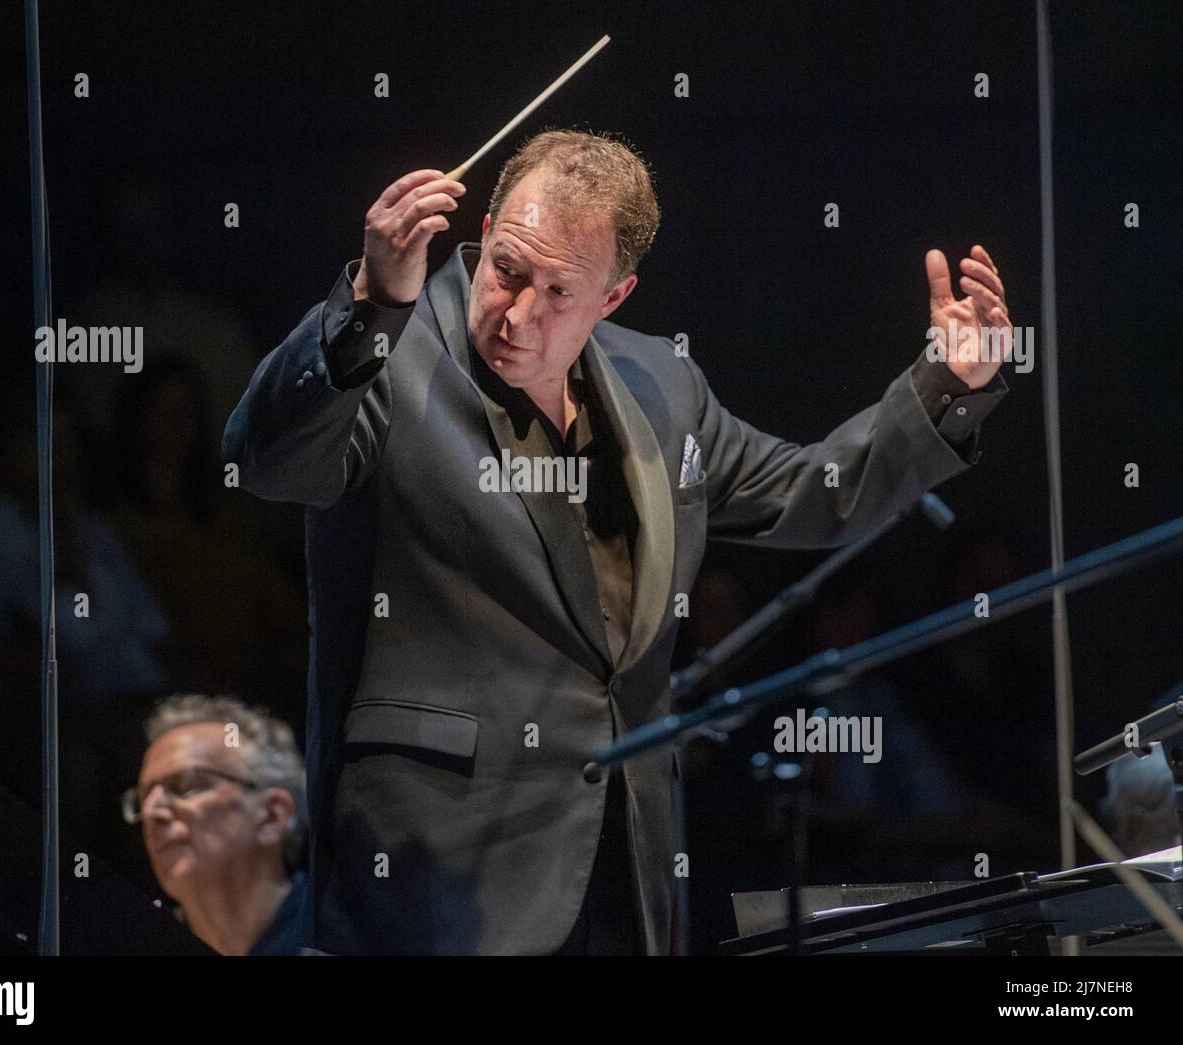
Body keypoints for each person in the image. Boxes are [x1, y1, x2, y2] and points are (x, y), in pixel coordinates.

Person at [222, 129, 1011, 955]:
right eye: (507, 270)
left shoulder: (662, 387)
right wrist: (371, 303)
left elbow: (816, 493)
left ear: (615, 296)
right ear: (484, 232)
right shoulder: (390, 347)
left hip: (623, 872)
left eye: (560, 291)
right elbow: (266, 460)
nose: (518, 314)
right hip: (437, 873)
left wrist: (947, 388)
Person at [125, 694, 308, 955]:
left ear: (272, 815)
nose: (152, 811)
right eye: (143, 797)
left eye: (185, 785)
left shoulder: (351, 935)